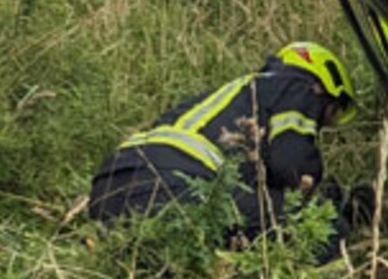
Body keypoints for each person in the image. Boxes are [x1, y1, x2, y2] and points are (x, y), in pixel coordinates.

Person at [87, 42, 366, 252]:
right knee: (323, 230)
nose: (318, 125)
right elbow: (291, 164)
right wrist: (324, 201)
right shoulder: (298, 87)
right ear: (324, 87)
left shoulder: (241, 94)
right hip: (176, 184)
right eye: (327, 115)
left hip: (111, 185)